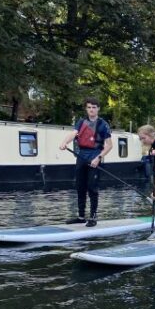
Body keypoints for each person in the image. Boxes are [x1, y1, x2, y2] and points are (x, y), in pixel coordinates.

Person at [59, 97, 112, 227]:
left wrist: (98, 158)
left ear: (98, 108)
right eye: (89, 107)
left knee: (92, 188)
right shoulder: (81, 122)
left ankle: (93, 217)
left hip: (95, 156)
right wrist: (64, 142)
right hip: (81, 156)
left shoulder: (103, 124)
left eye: (94, 107)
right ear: (86, 109)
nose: (91, 110)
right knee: (80, 187)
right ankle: (81, 216)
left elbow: (109, 145)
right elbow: (73, 133)